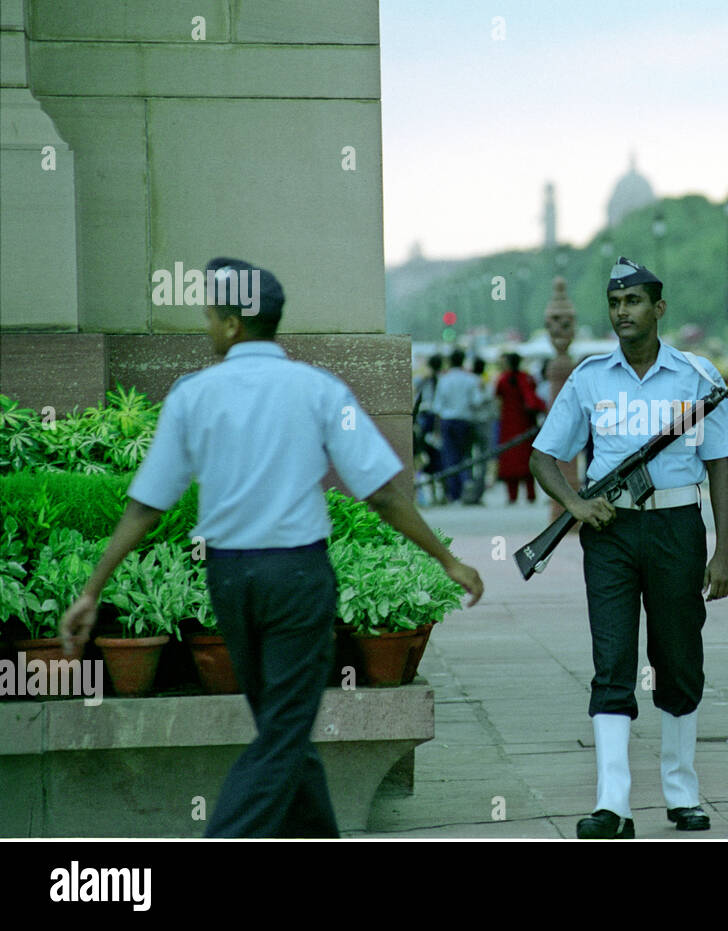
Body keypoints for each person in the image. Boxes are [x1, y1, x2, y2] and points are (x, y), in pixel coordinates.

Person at [58, 257, 484, 838]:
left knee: (284, 729)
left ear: (234, 324)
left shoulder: (193, 395)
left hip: (230, 582)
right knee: (284, 732)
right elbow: (382, 493)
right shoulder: (320, 390)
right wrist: (447, 558)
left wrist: (92, 589)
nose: (206, 323)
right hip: (296, 579)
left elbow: (145, 505)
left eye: (210, 313)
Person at [530, 256, 728, 839]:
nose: (622, 312)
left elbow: (721, 469)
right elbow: (543, 455)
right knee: (612, 660)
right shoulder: (591, 377)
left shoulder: (698, 377)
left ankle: (682, 792)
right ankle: (613, 804)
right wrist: (575, 505)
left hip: (677, 529)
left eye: (633, 302)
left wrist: (723, 552)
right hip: (610, 534)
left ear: (659, 308)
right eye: (615, 303)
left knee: (677, 659)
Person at [432, 349, 481, 503]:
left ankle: (454, 493)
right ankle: (467, 490)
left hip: (447, 421)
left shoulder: (444, 379)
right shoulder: (471, 379)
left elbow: (437, 406)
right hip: (465, 420)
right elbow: (477, 401)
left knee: (450, 457)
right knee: (466, 457)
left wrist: (436, 428)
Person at [495, 351, 544, 503]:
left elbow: (498, 398)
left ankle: (512, 496)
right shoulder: (526, 378)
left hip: (508, 423)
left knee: (510, 458)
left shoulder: (503, 380)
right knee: (527, 458)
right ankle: (530, 494)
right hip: (525, 424)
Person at [461, 357, 497, 505]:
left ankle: (468, 491)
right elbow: (479, 400)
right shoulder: (482, 382)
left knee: (468, 457)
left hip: (470, 421)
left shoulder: (469, 380)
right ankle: (477, 492)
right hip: (482, 422)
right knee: (482, 459)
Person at [412, 356, 443, 505]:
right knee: (436, 460)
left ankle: (430, 495)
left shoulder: (423, 381)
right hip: (437, 421)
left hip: (426, 421)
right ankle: (437, 495)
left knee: (427, 461)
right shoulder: (440, 380)